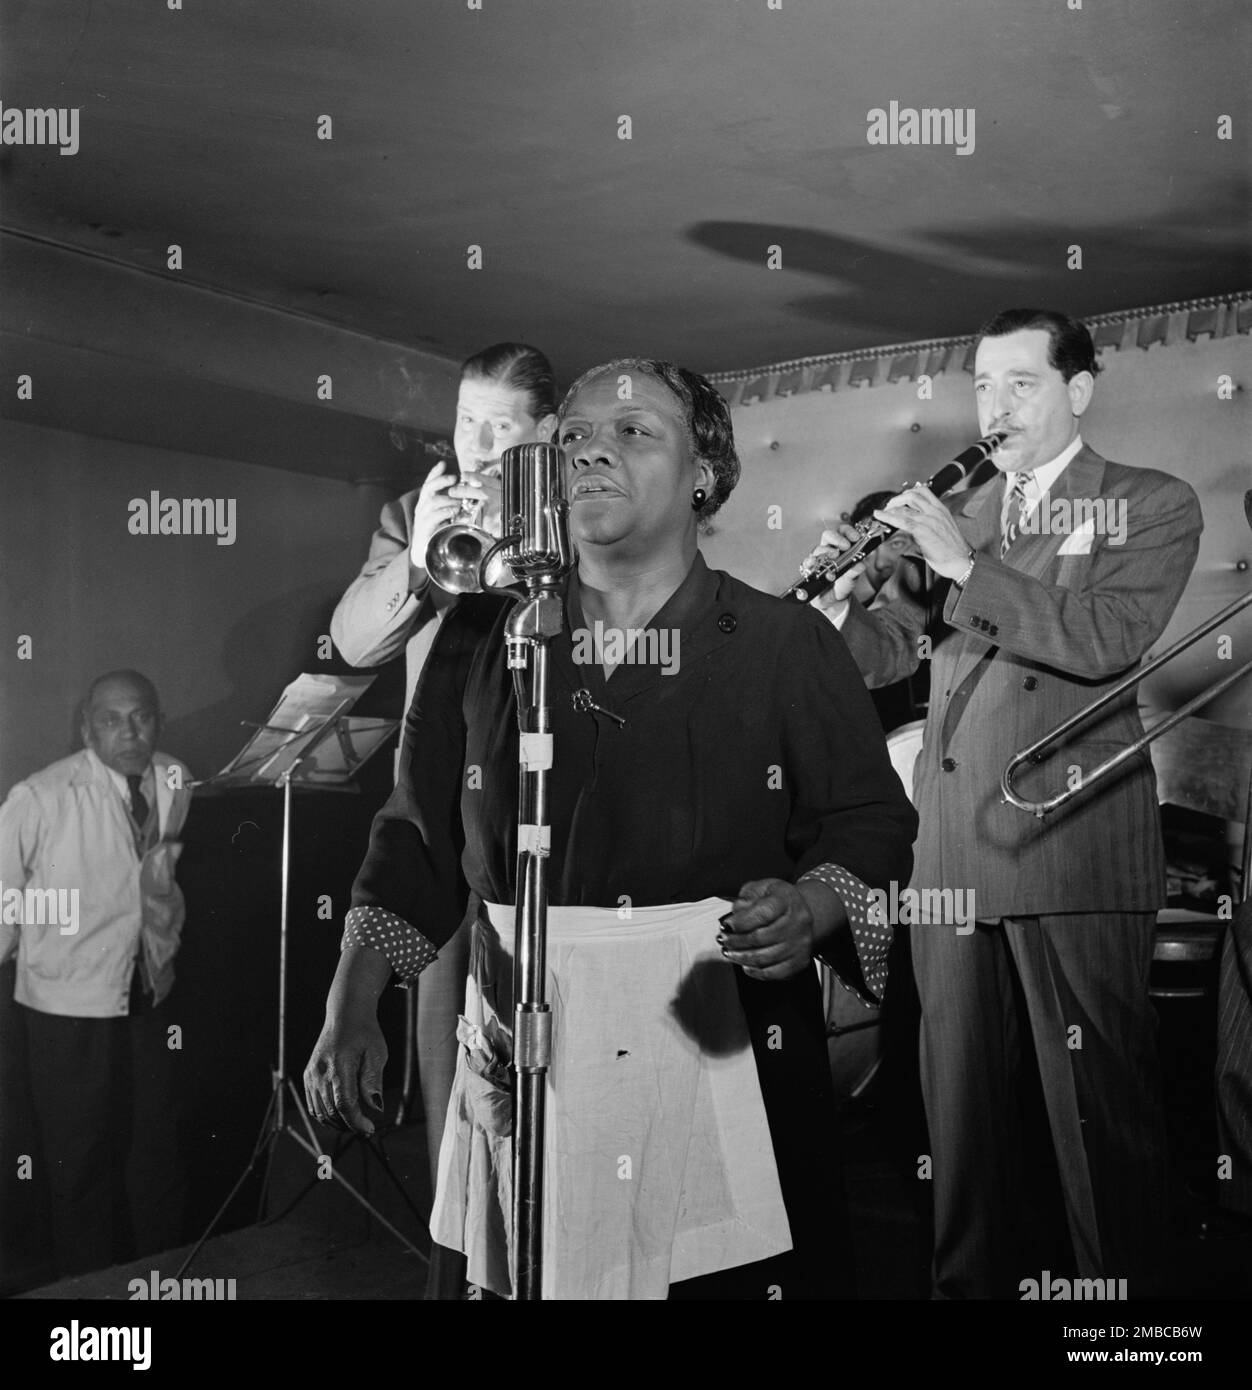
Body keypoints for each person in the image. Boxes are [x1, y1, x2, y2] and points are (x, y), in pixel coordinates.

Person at [305, 359, 917, 1299]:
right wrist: (354, 998)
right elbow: (418, 832)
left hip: (716, 1036)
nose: (593, 449)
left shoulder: (783, 643)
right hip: (515, 1037)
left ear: (705, 473)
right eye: (574, 437)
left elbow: (870, 825)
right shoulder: (481, 636)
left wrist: (812, 906)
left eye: (633, 432)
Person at [806, 308, 1204, 1298]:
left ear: (1078, 389)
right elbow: (894, 658)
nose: (995, 407)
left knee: (1095, 1121)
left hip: (1068, 845)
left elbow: (1106, 637)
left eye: (1020, 383)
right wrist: (837, 616)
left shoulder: (1147, 502)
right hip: (951, 858)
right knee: (958, 1127)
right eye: (984, 386)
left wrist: (956, 566)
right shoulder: (966, 520)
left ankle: (1126, 1324)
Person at [330, 342, 557, 1297]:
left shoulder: (567, 517)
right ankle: (461, 1272)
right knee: (451, 1102)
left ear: (543, 434)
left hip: (534, 836)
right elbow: (352, 639)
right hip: (434, 836)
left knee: (540, 1109)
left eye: (501, 427)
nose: (476, 444)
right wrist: (426, 564)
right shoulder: (411, 514)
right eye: (468, 421)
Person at [0, 670, 192, 1279]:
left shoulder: (174, 777)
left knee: (154, 1151)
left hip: (147, 994)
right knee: (77, 1163)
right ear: (86, 728)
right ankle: (90, 1301)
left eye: (141, 716)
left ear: (158, 719)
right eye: (111, 720)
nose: (129, 732)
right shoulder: (40, 795)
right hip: (65, 1008)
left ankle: (158, 1283)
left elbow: (159, 882)